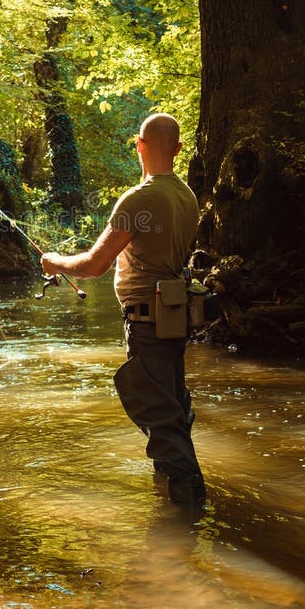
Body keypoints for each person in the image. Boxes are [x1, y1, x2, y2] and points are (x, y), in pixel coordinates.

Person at [41, 113, 206, 509]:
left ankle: (189, 515)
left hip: (148, 323)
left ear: (139, 146)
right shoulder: (188, 198)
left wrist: (54, 262)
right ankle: (170, 501)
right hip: (175, 319)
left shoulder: (138, 198)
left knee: (162, 420)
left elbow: (95, 266)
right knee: (171, 409)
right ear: (179, 149)